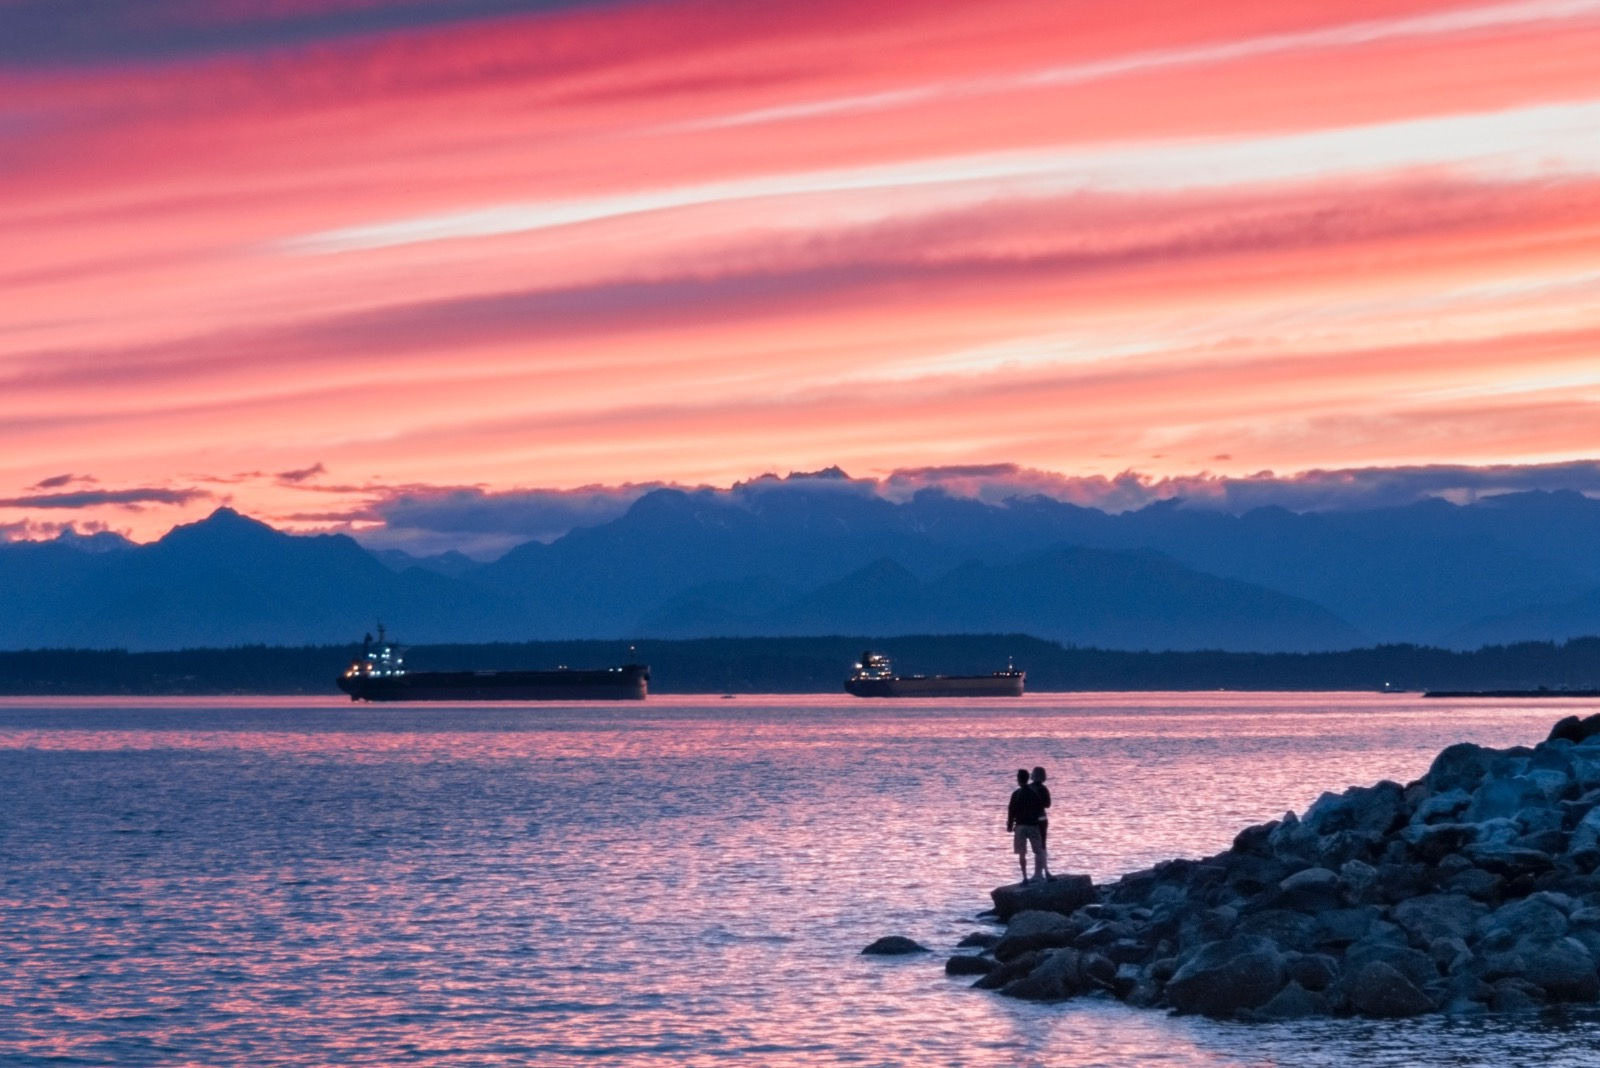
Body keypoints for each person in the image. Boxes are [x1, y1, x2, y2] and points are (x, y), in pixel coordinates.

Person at [1006, 768, 1046, 884]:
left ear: (1018, 780)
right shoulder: (1033, 793)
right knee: (1039, 851)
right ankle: (1041, 874)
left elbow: (1011, 811)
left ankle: (1025, 878)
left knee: (1022, 854)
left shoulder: (1016, 794)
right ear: (1028, 779)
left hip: (1020, 827)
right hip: (1033, 826)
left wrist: (1009, 825)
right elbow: (1040, 809)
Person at [1030, 766, 1053, 881]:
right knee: (1042, 846)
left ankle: (1038, 874)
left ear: (1032, 775)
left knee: (1036, 847)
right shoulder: (1044, 789)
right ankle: (1044, 871)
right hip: (1042, 819)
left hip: (1031, 820)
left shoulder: (1028, 788)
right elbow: (1048, 804)